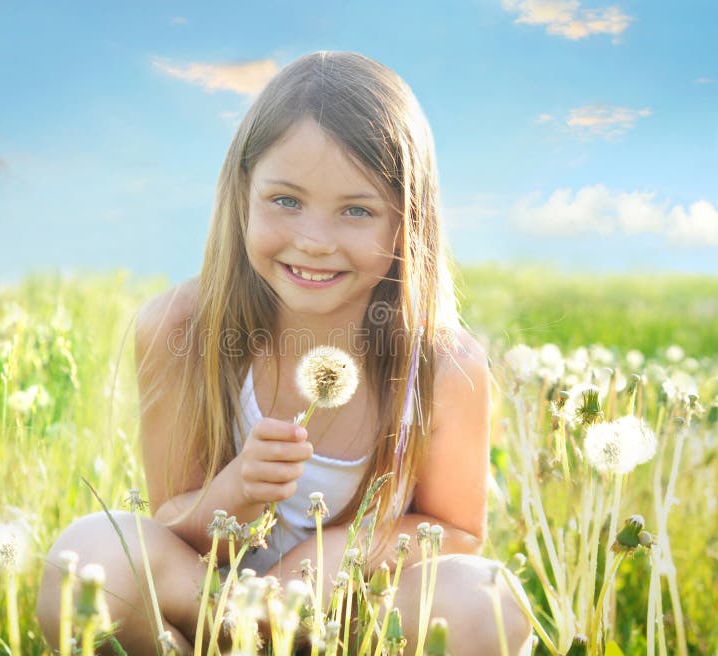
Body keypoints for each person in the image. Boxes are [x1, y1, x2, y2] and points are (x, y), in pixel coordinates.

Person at [37, 50, 532, 655]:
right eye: (286, 201)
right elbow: (169, 524)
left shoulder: (443, 364)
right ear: (242, 193)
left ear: (407, 221)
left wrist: (335, 554)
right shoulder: (181, 330)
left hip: (355, 618)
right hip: (214, 606)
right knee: (86, 559)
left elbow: (456, 531)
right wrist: (232, 495)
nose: (314, 241)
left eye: (356, 210)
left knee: (485, 601)